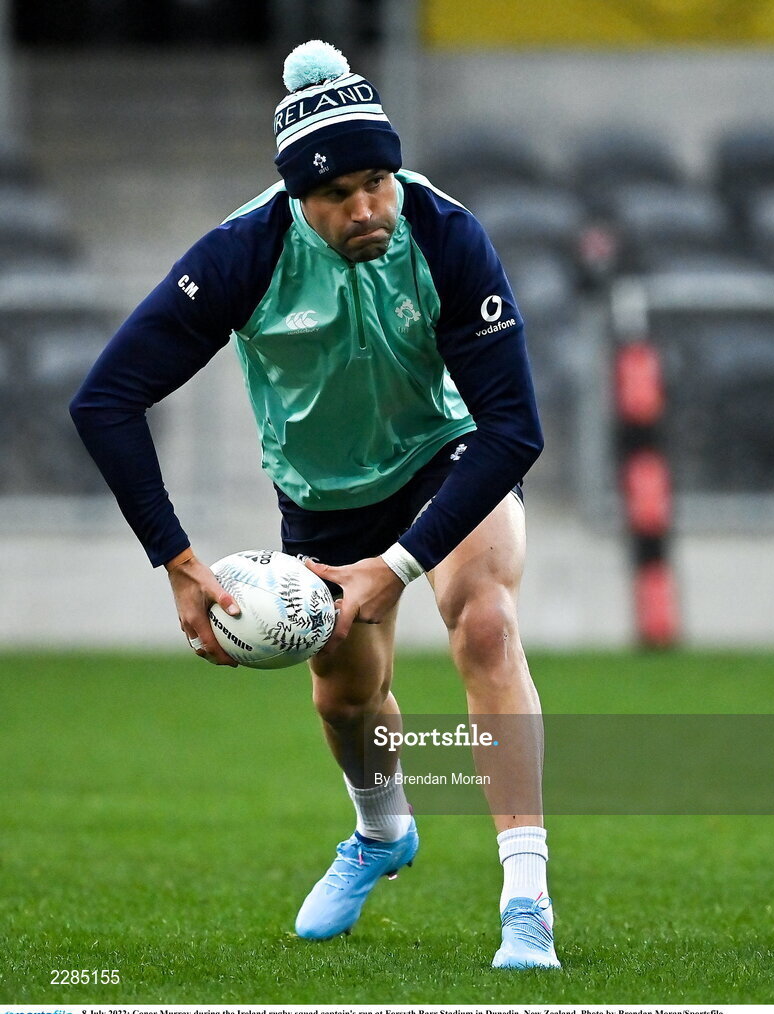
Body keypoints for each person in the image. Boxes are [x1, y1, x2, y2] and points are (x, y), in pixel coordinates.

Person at [70, 40, 559, 970]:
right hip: (325, 493)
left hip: (445, 454)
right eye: (339, 194)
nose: (368, 206)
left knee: (485, 623)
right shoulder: (241, 253)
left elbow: (514, 430)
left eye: (378, 179)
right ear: (298, 198)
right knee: (346, 697)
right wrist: (179, 563)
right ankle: (382, 832)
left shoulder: (446, 232)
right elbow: (105, 400)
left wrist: (397, 568)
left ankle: (526, 899)